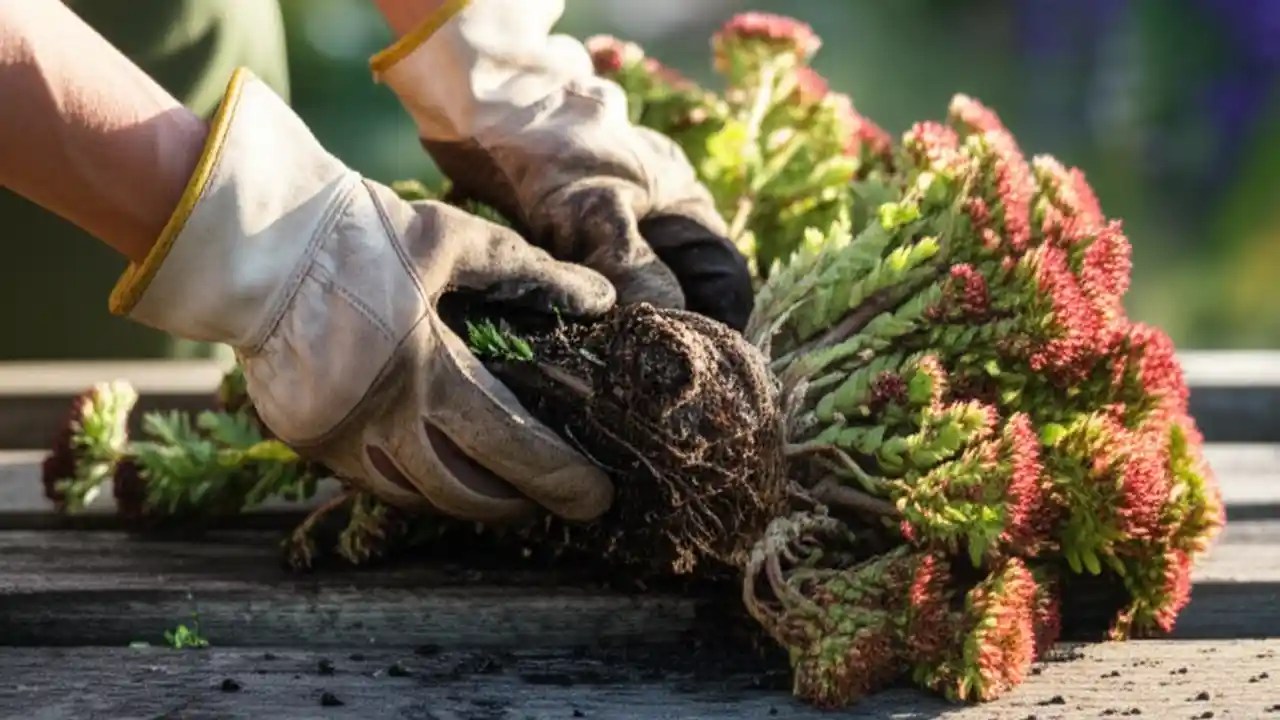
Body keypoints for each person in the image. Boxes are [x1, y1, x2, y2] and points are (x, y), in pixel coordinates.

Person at [0, 0, 753, 523]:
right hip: (44, 137)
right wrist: (265, 245)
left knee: (174, 392)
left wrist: (506, 80)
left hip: (168, 57)